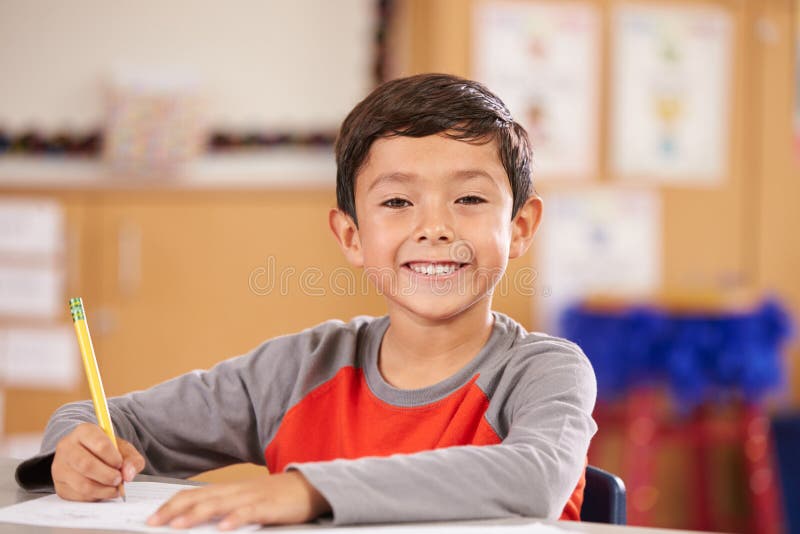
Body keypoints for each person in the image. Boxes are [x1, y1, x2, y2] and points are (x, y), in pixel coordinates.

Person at [15, 73, 597, 530]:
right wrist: (76, 451)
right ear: (350, 235)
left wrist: (311, 490)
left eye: (469, 198)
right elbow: (107, 421)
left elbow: (535, 476)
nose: (435, 228)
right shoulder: (298, 371)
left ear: (520, 227)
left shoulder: (545, 371)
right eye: (397, 203)